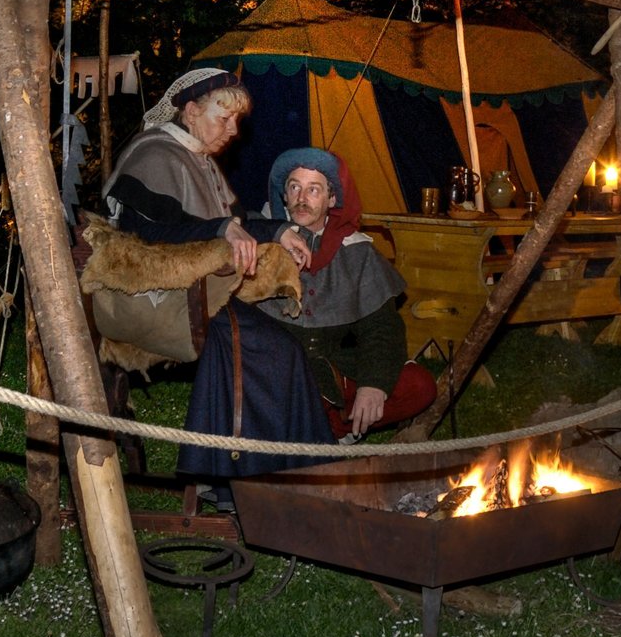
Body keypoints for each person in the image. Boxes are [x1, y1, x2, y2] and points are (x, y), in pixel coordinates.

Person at [101, 67, 331, 482]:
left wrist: (281, 230)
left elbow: (235, 222)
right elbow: (145, 232)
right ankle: (240, 478)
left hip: (200, 293)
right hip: (159, 298)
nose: (233, 131)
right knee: (272, 352)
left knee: (284, 349)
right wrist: (219, 229)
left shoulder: (198, 161)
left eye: (237, 121)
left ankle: (290, 473)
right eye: (224, 119)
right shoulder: (154, 153)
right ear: (190, 112)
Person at [260, 147, 437, 440]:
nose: (302, 199)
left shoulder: (358, 252)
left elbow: (381, 329)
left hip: (337, 368)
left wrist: (373, 384)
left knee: (419, 386)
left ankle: (338, 429)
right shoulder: (261, 240)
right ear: (284, 195)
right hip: (280, 371)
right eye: (295, 187)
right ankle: (316, 429)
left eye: (313, 190)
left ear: (332, 199)